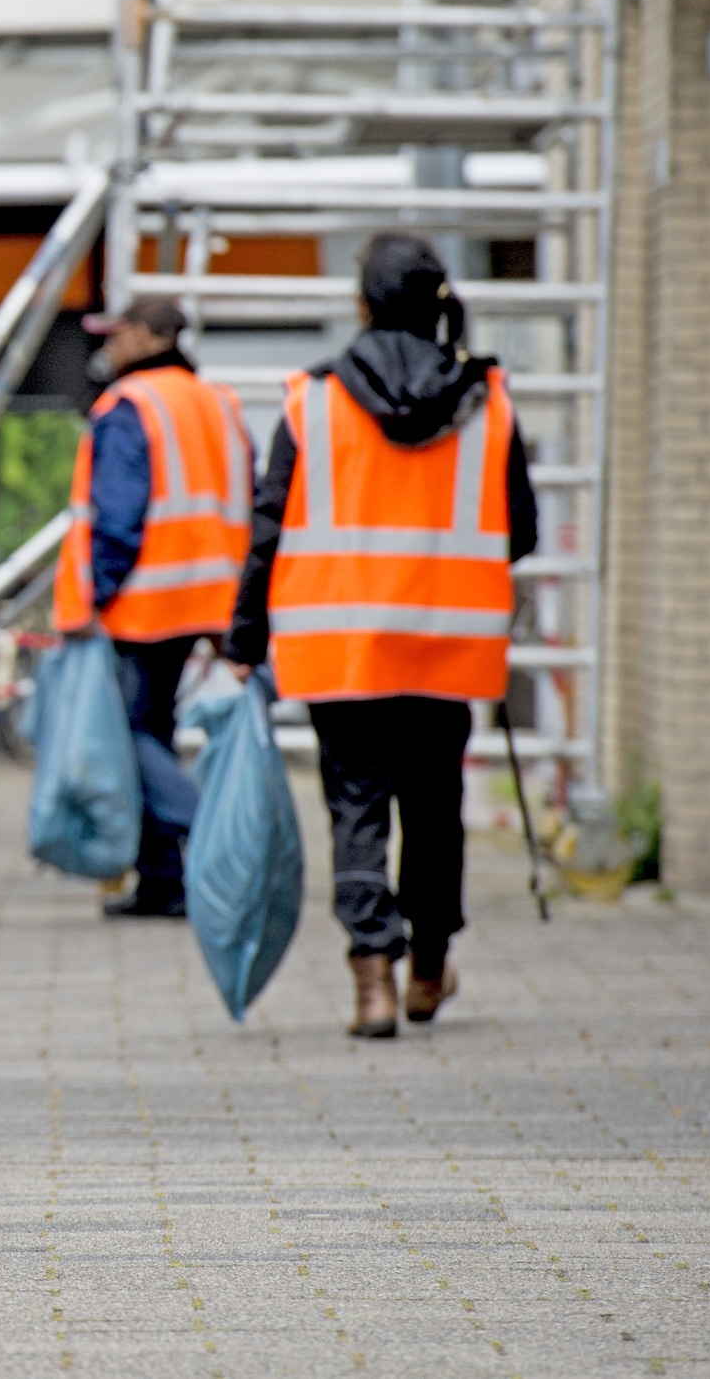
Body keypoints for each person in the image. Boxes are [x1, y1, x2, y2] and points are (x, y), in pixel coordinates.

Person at [224, 234, 537, 1039]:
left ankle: (372, 982)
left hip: (342, 645)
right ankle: (428, 972)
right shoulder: (485, 399)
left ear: (360, 304)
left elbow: (269, 529)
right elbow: (522, 531)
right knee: (434, 810)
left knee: (356, 807)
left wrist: (244, 640)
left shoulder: (310, 403)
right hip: (446, 641)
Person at [52, 297, 253, 918]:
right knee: (154, 727)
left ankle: (204, 829)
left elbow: (117, 515)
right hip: (214, 596)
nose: (108, 345)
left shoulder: (129, 407)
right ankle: (164, 881)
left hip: (146, 598)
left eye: (118, 333)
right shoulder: (220, 404)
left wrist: (96, 594)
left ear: (146, 337)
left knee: (129, 733)